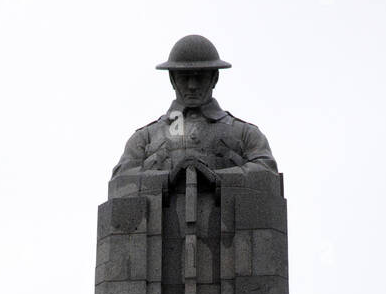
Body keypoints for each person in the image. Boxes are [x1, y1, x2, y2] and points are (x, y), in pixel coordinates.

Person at [111, 34, 278, 186]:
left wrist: (217, 179)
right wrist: (167, 179)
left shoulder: (245, 133)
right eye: (184, 77)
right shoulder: (145, 138)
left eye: (200, 76)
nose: (192, 85)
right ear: (172, 79)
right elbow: (122, 179)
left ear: (215, 78)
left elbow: (266, 172)